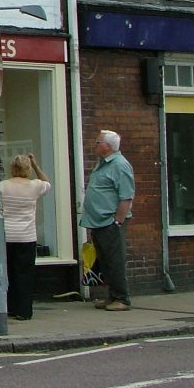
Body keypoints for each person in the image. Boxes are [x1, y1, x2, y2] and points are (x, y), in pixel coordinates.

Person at [80, 129, 135, 311]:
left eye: (98, 143)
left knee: (115, 260)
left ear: (108, 146)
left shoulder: (120, 165)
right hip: (98, 221)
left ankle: (122, 298)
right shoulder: (102, 163)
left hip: (110, 221)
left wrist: (117, 221)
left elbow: (126, 196)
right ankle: (112, 296)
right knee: (104, 261)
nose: (95, 145)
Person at [0, 153, 51, 320]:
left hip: (7, 236)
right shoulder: (34, 186)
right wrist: (36, 165)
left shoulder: (2, 186)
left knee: (10, 273)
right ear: (27, 169)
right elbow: (47, 183)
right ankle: (24, 311)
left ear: (12, 168)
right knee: (25, 274)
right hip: (26, 236)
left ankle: (11, 307)